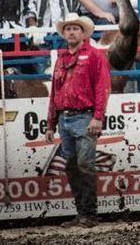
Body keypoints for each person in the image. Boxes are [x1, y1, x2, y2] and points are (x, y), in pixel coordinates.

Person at [44, 13, 110, 228]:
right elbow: (55, 92)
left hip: (85, 116)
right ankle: (83, 213)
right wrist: (51, 123)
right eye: (68, 29)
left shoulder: (94, 56)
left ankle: (89, 214)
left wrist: (97, 116)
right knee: (72, 166)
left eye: (75, 29)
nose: (71, 32)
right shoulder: (62, 59)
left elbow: (102, 87)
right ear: (64, 33)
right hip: (65, 118)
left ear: (83, 33)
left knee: (83, 164)